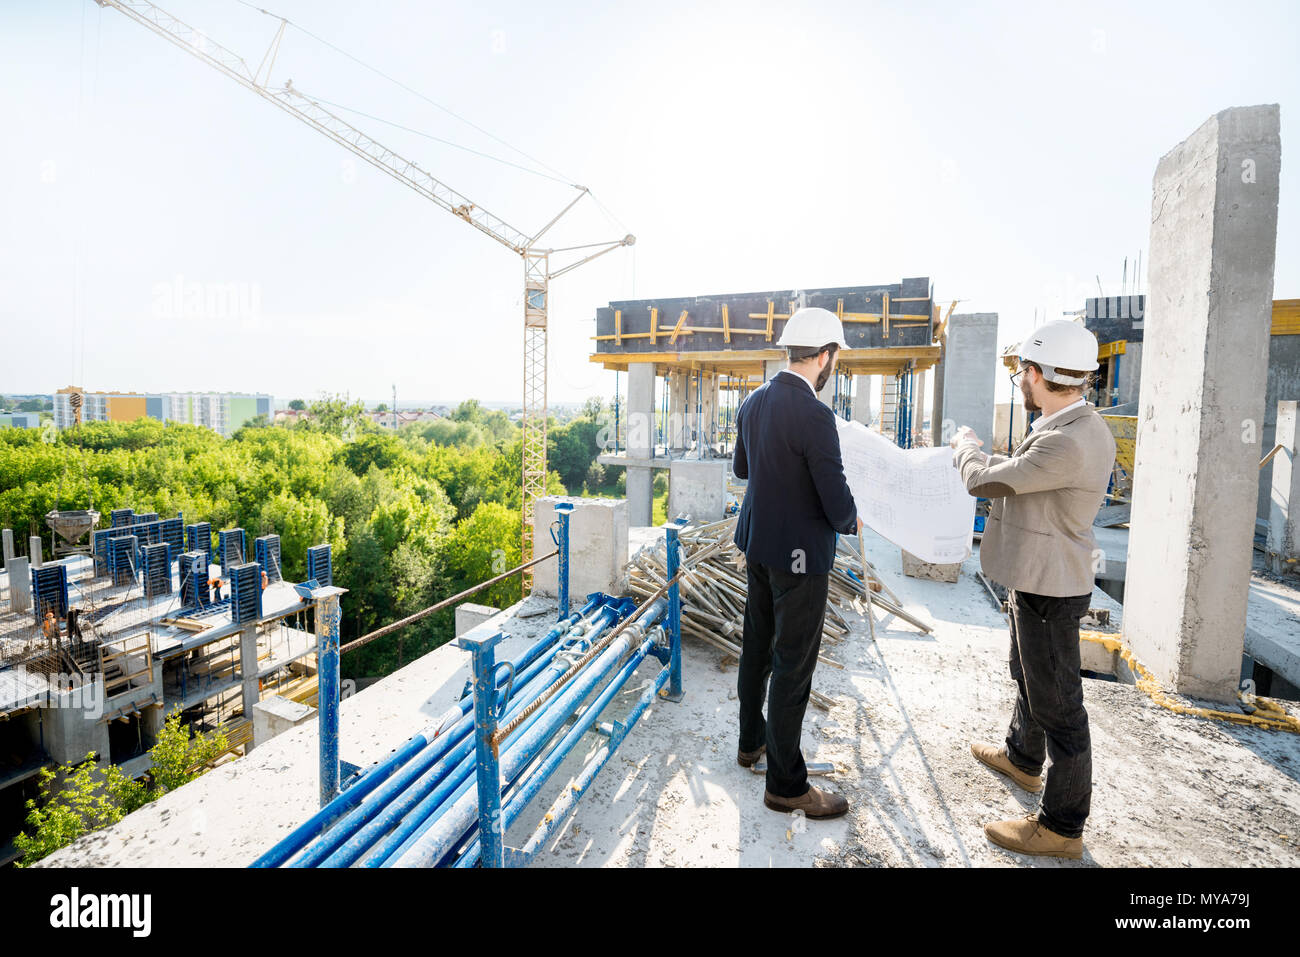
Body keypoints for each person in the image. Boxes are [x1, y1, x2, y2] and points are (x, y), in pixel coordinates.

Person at [950, 319, 1116, 859]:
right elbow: (1025, 471)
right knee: (1027, 674)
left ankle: (1061, 826)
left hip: (1052, 587)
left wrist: (965, 449)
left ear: (1041, 374)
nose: (1019, 378)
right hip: (1037, 576)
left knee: (1060, 706)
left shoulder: (1069, 439)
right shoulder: (1064, 422)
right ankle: (1022, 759)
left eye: (1023, 370)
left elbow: (985, 482)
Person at [732, 306, 863, 820]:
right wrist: (851, 517)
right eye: (834, 357)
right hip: (801, 560)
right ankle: (786, 785)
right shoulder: (814, 414)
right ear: (825, 356)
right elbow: (836, 502)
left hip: (760, 547)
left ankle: (750, 744)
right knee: (792, 667)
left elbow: (744, 468)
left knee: (756, 649)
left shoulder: (754, 401)